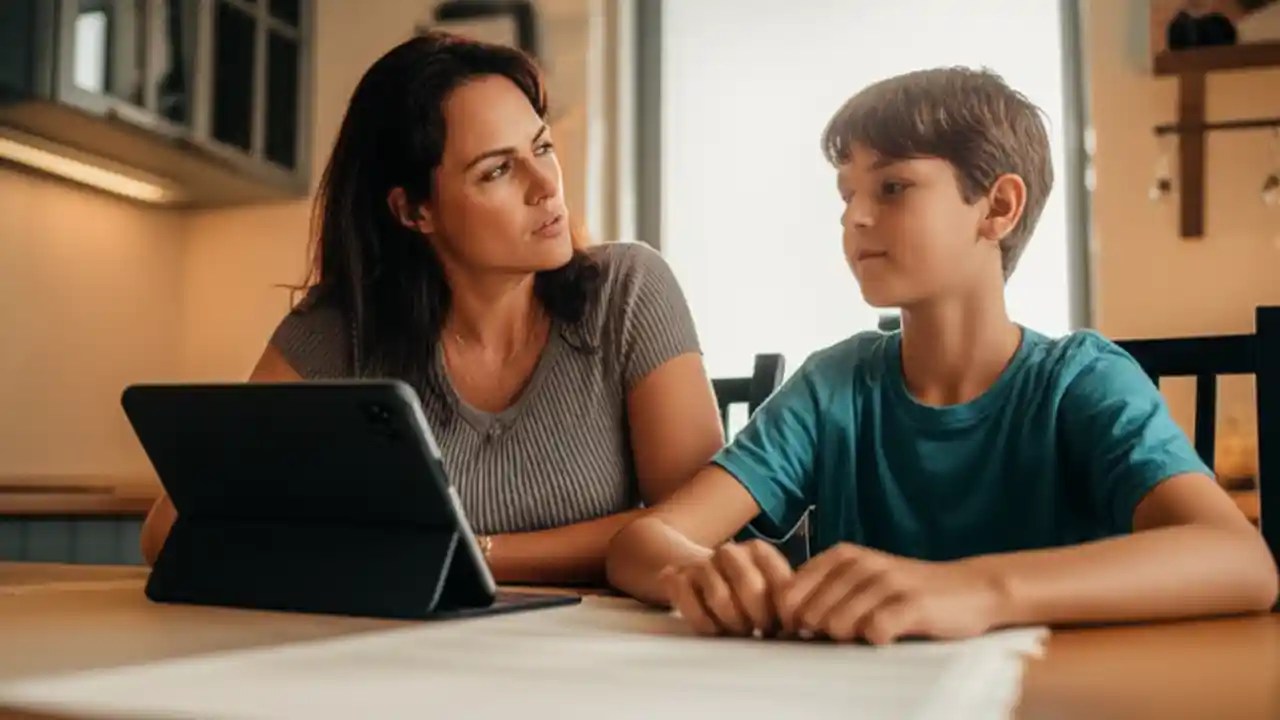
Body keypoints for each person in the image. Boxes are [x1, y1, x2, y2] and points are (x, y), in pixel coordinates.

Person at [605, 67, 1278, 643]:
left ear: (999, 207)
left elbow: (1242, 562)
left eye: (891, 187)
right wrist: (695, 571)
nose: (854, 218)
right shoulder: (834, 386)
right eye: (847, 194)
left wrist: (976, 591)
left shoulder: (1082, 382)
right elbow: (645, 540)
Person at [140, 33, 724, 585]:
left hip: (592, 664)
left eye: (541, 147)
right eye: (497, 169)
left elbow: (704, 525)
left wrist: (462, 553)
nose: (545, 184)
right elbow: (168, 530)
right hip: (395, 661)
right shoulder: (343, 327)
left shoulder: (630, 289)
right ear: (413, 210)